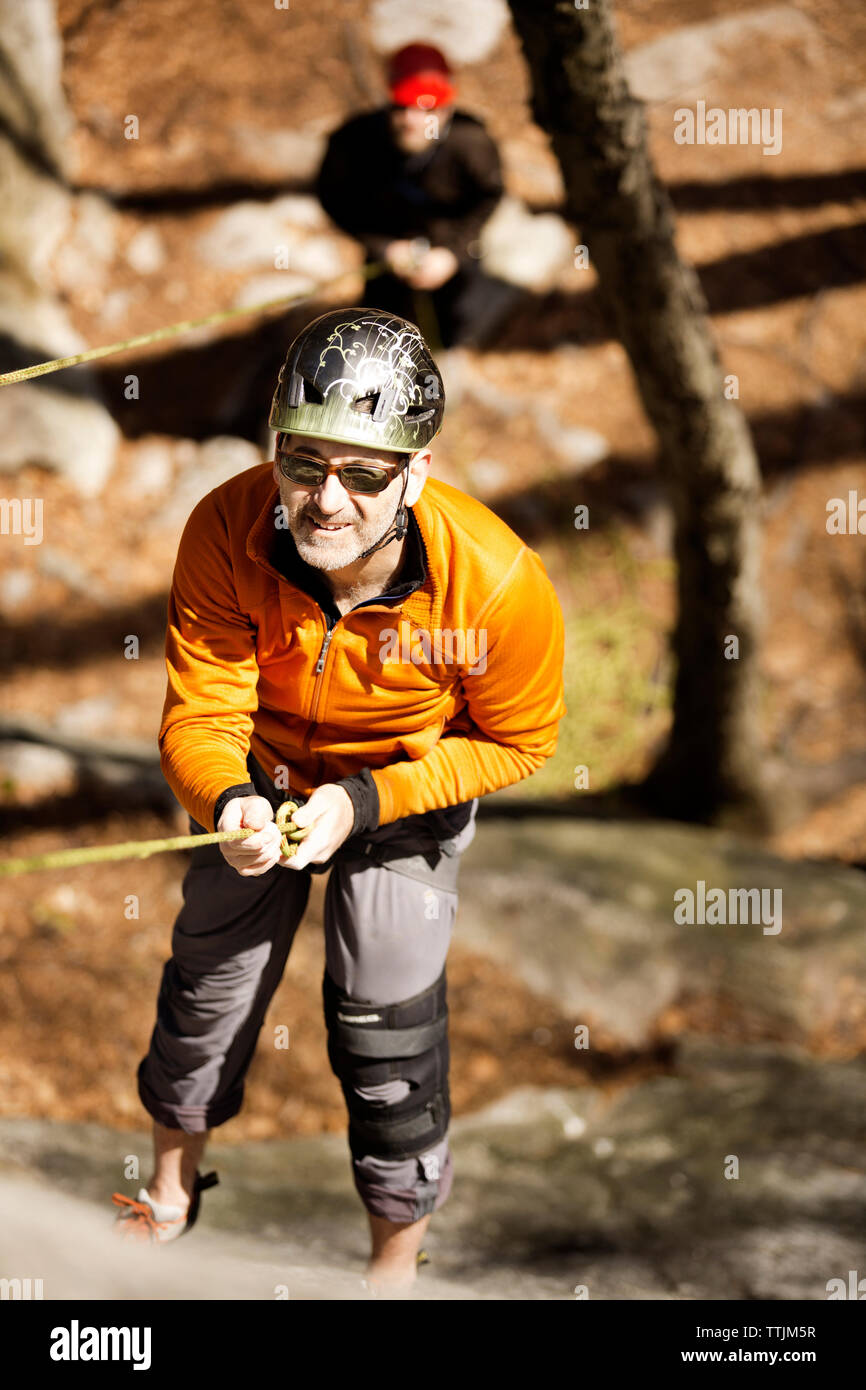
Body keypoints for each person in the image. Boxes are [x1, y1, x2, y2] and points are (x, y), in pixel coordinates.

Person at [113, 308, 566, 1291]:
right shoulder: (227, 529)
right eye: (303, 462)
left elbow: (518, 740)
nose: (326, 500)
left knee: (384, 1024)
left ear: (417, 470)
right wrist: (227, 799)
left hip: (403, 800)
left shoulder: (493, 586)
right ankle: (167, 1198)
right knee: (210, 986)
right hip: (263, 783)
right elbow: (201, 713)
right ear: (273, 450)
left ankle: (391, 1268)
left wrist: (366, 803)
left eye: (363, 473)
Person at [317, 43, 517, 349]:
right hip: (387, 257)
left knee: (452, 329)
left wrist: (453, 253)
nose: (411, 119)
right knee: (379, 332)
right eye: (400, 107)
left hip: (454, 255)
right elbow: (334, 196)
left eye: (427, 109)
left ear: (447, 109)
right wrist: (383, 247)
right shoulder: (356, 142)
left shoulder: (471, 144)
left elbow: (487, 200)